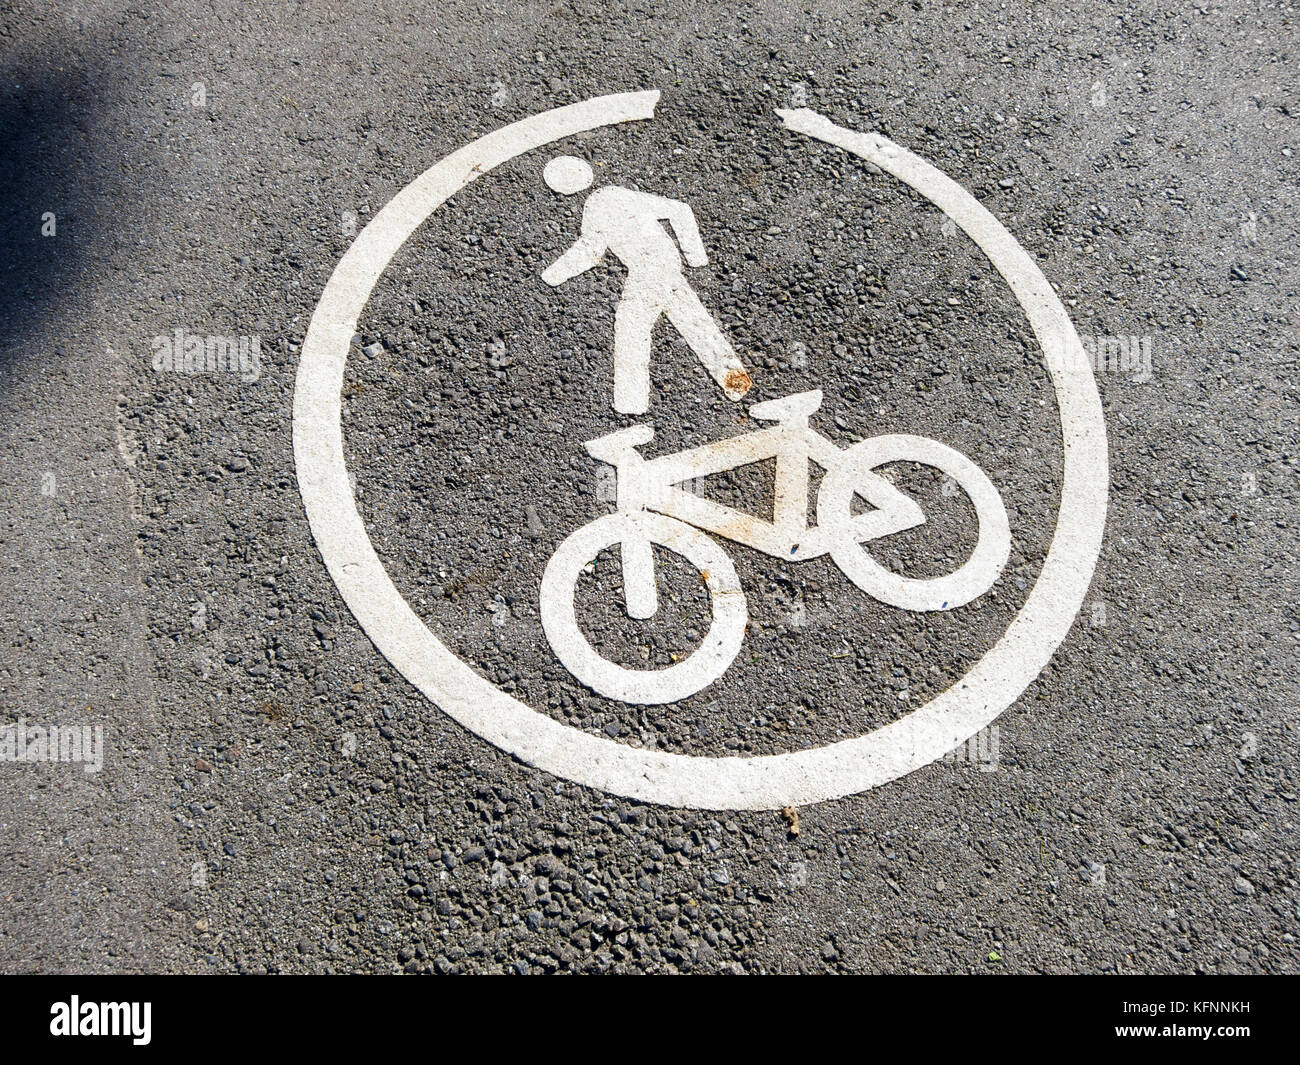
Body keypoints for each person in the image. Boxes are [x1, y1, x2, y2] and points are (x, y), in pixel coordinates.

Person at [540, 155, 752, 415]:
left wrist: (696, 257)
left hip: (651, 268)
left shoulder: (605, 199)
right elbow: (590, 251)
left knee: (632, 323)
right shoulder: (598, 203)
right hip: (658, 266)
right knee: (690, 318)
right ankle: (735, 380)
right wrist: (552, 276)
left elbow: (678, 210)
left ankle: (631, 403)